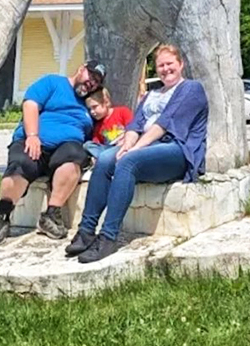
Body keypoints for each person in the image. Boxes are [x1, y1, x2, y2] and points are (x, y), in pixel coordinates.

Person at [65, 44, 208, 263]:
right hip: (147, 147)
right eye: (161, 65)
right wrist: (125, 146)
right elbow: (134, 126)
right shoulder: (151, 94)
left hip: (177, 150)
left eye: (170, 64)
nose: (165, 69)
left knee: (127, 162)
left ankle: (108, 238)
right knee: (104, 159)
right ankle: (86, 231)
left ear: (181, 64)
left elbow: (164, 124)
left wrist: (133, 149)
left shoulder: (190, 88)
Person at [0, 59, 106, 246]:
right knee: (21, 164)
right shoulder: (53, 82)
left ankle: (51, 215)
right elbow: (31, 104)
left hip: (66, 149)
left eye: (97, 81)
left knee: (75, 156)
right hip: (34, 142)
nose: (92, 82)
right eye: (91, 76)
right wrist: (33, 135)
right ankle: (2, 216)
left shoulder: (89, 105)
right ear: (81, 68)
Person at [84, 88, 133, 159]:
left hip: (124, 144)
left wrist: (125, 141)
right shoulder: (98, 126)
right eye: (90, 109)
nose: (92, 112)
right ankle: (104, 158)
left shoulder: (122, 112)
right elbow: (97, 143)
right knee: (87, 145)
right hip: (108, 150)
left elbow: (132, 128)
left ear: (106, 102)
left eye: (95, 107)